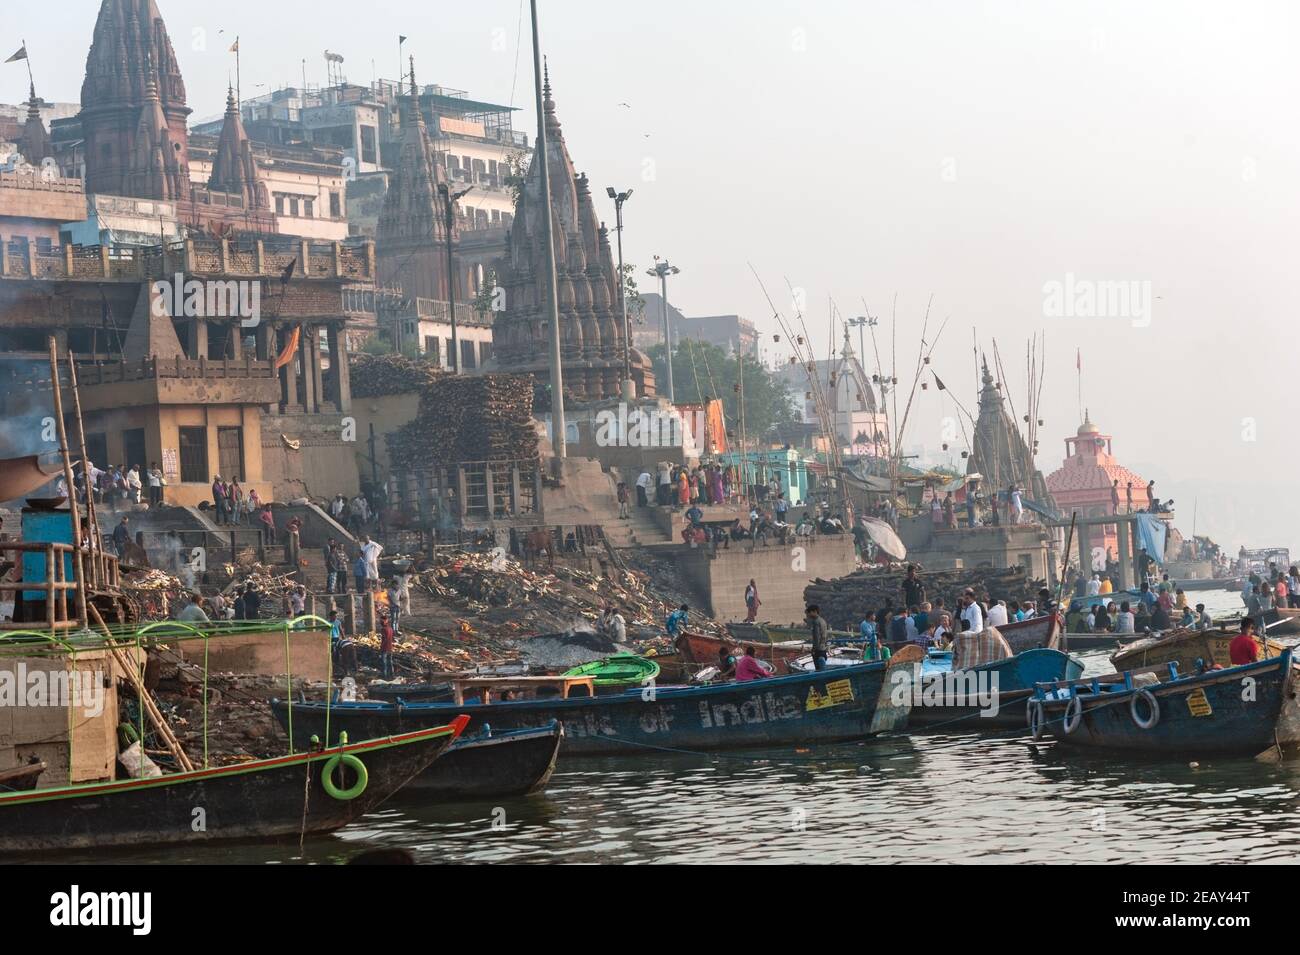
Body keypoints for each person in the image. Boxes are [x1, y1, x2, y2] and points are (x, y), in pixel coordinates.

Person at [806, 605, 830, 671]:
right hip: (823, 648)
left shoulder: (816, 622)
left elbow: (817, 637)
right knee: (823, 667)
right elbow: (824, 635)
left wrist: (814, 649)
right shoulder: (823, 620)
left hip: (818, 650)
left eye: (809, 612)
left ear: (815, 611)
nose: (808, 614)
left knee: (818, 669)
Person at [379, 611, 396, 680]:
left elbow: (384, 639)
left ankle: (385, 676)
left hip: (385, 649)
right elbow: (392, 638)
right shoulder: (390, 629)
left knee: (384, 663)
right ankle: (392, 675)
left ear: (385, 621)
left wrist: (381, 647)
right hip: (390, 648)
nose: (380, 622)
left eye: (381, 621)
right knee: (390, 662)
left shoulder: (383, 629)